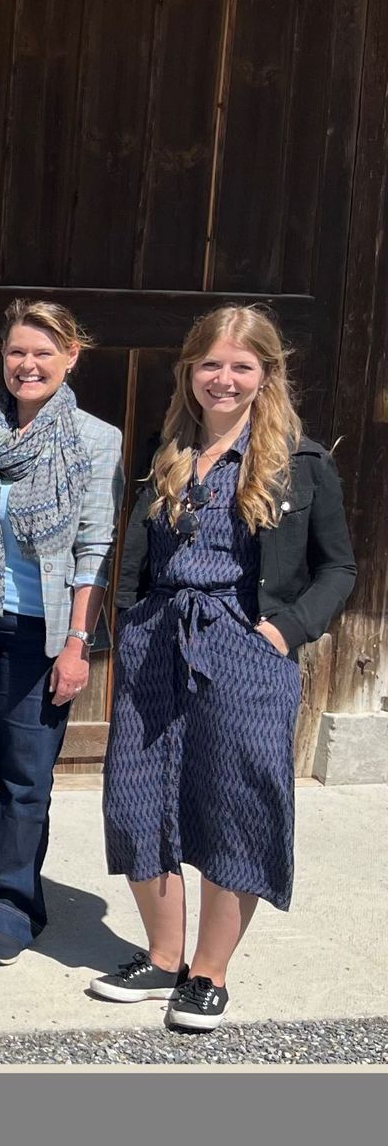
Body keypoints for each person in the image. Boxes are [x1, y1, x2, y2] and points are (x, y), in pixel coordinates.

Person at [95, 305, 354, 1032]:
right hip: (158, 642)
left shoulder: (301, 463)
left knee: (236, 804)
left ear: (267, 375)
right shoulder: (167, 454)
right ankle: (163, 956)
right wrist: (129, 621)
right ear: (190, 371)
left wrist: (286, 630)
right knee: (136, 795)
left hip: (246, 647)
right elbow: (140, 556)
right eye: (211, 364)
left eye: (242, 366)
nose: (224, 379)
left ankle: (208, 974)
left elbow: (338, 567)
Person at [0, 301, 124, 966]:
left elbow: (94, 547)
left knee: (26, 776)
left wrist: (78, 642)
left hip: (43, 633)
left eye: (43, 353)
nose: (27, 365)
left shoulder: (96, 439)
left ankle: (14, 903)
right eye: (16, 352)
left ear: (71, 356)